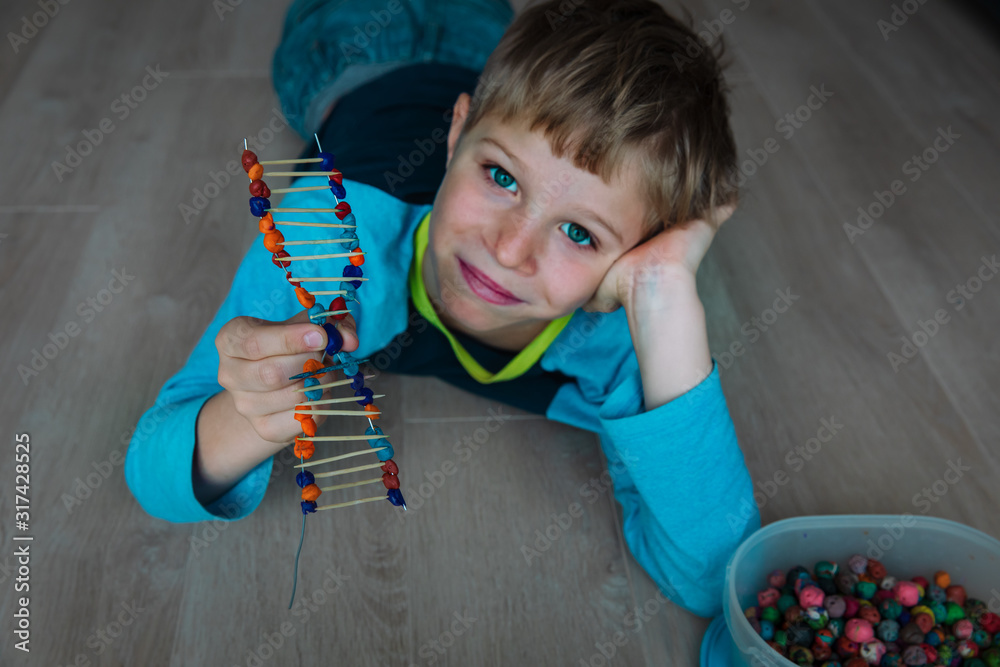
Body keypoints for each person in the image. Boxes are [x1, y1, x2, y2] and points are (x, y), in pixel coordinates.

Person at [125, 0, 760, 618]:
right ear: (457, 136)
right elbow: (152, 470)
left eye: (579, 233)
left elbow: (715, 580)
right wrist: (248, 421)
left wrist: (665, 291)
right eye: (502, 177)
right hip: (359, 47)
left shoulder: (616, 334)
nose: (508, 250)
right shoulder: (329, 239)